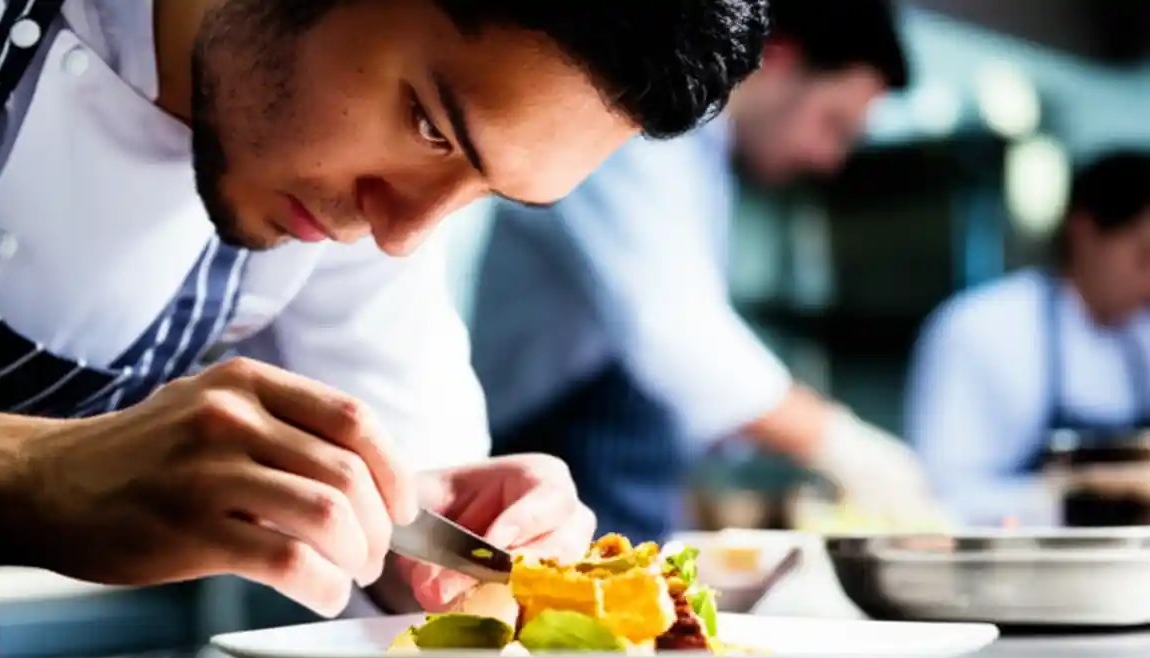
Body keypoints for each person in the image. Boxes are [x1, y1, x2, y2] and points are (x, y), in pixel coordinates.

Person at [0, 0, 771, 658]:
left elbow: (410, 489)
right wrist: (27, 480)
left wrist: (431, 530)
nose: (402, 232)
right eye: (428, 125)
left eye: (480, 189)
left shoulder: (345, 196)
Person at [470, 0, 932, 543]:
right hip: (550, 440)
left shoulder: (707, 157)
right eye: (833, 123)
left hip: (608, 442)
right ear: (778, 58)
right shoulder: (636, 123)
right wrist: (837, 439)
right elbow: (674, 332)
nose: (828, 159)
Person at [906, 151, 1150, 527]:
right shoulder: (982, 329)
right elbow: (939, 498)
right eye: (1145, 257)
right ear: (1085, 232)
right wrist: (1084, 496)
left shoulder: (1142, 337)